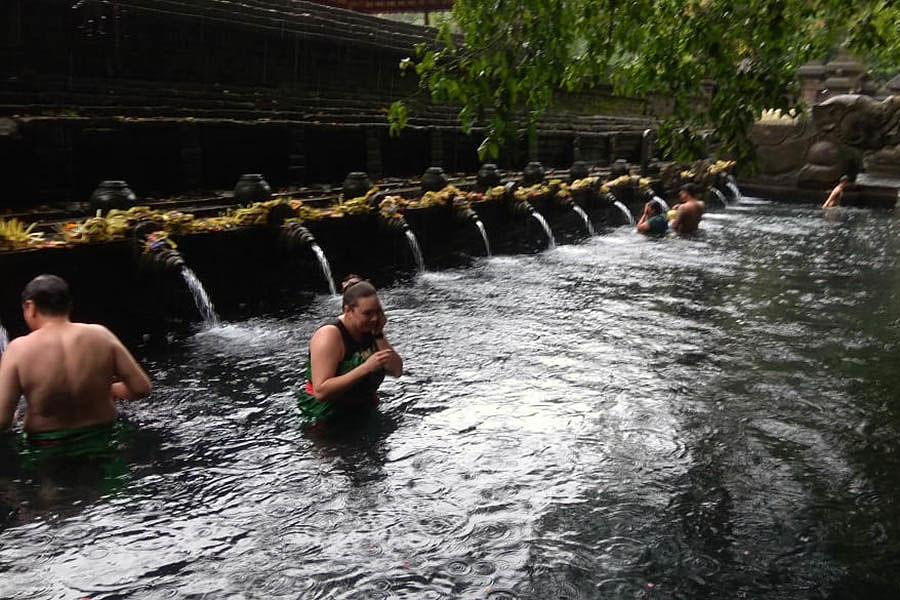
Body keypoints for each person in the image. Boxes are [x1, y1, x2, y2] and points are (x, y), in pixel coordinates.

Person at [0, 275, 151, 443]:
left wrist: (15, 416)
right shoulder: (101, 335)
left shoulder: (18, 349)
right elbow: (141, 388)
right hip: (104, 437)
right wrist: (109, 390)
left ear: (30, 307)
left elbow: (2, 421)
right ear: (69, 305)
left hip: (47, 445)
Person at [297, 275, 403, 424]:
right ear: (348, 311)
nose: (374, 318)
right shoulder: (329, 335)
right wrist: (366, 368)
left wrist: (379, 334)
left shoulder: (371, 328)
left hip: (363, 409)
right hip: (326, 417)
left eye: (377, 312)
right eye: (367, 313)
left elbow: (397, 371)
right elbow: (321, 392)